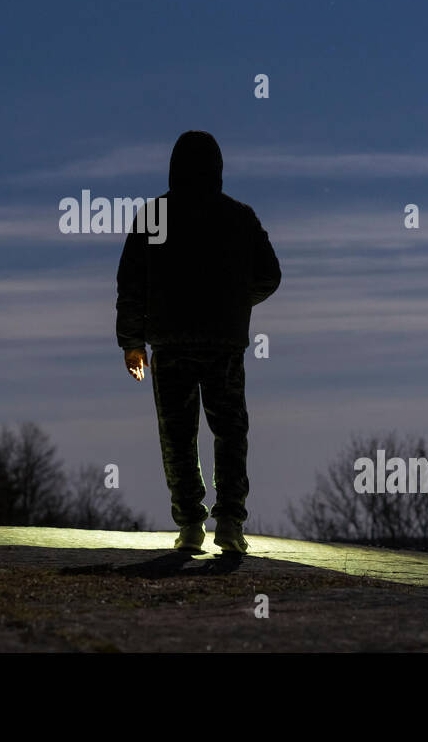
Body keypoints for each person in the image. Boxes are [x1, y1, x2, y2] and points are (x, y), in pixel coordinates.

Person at [116, 130, 281, 554]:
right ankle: (228, 521)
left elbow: (132, 285)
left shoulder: (154, 216)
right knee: (229, 431)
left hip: (169, 344)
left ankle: (190, 523)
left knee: (177, 434)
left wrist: (132, 342)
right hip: (223, 343)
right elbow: (269, 275)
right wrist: (234, 305)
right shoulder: (239, 217)